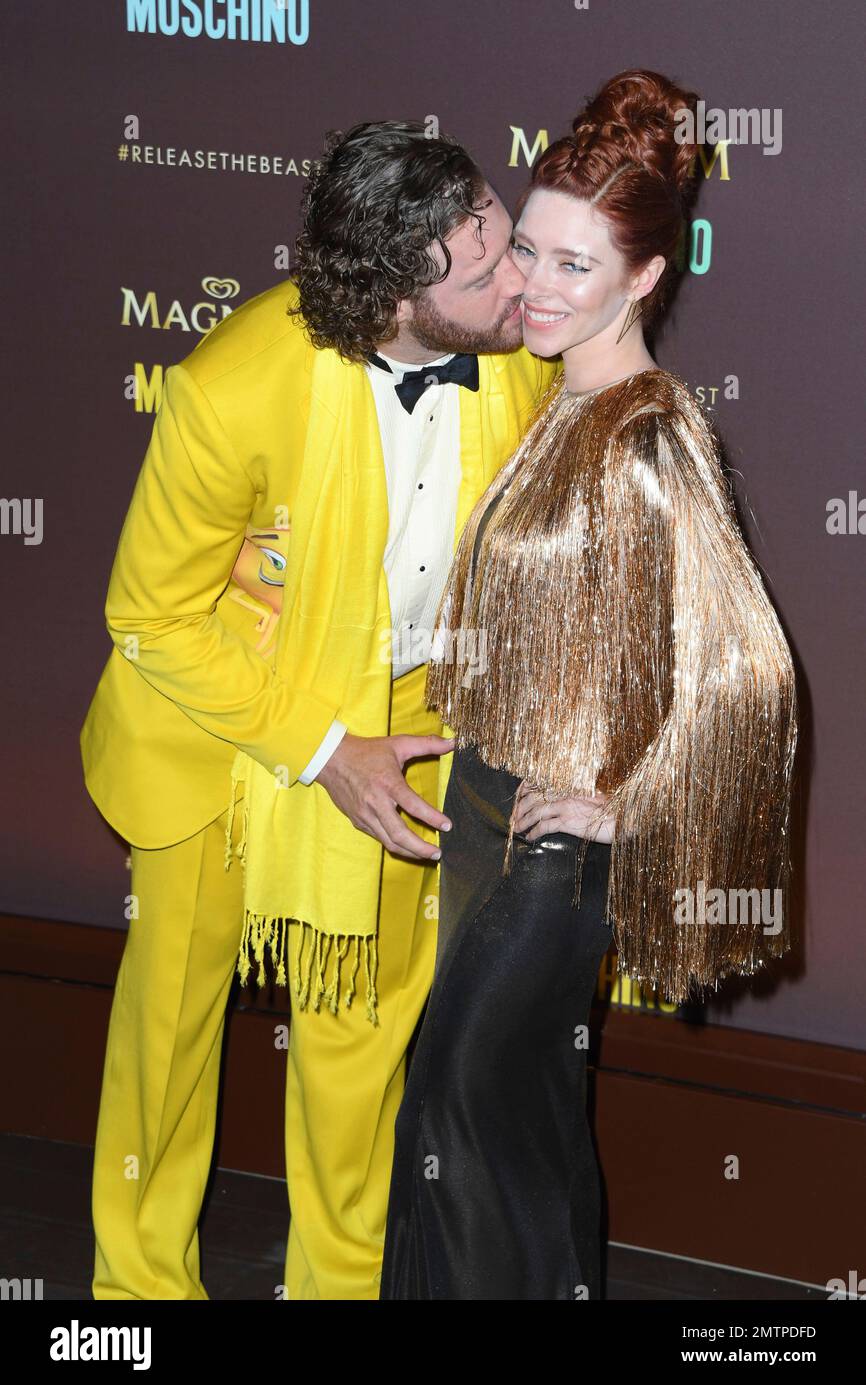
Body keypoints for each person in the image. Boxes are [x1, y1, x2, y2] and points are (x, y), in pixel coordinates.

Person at [80, 120, 560, 1301]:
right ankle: (137, 1299)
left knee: (358, 1045)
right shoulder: (228, 390)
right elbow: (148, 617)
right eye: (488, 266)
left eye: (505, 233)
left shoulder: (522, 353)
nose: (521, 281)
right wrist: (321, 747)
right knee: (169, 1046)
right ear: (396, 295)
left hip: (401, 719)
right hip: (210, 737)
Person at [379, 70, 799, 1301]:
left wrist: (629, 806)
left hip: (553, 860)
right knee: (514, 1125)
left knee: (463, 1111)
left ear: (643, 280)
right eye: (525, 250)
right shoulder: (554, 405)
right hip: (485, 816)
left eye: (575, 266)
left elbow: (750, 668)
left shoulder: (646, 428)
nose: (534, 285)